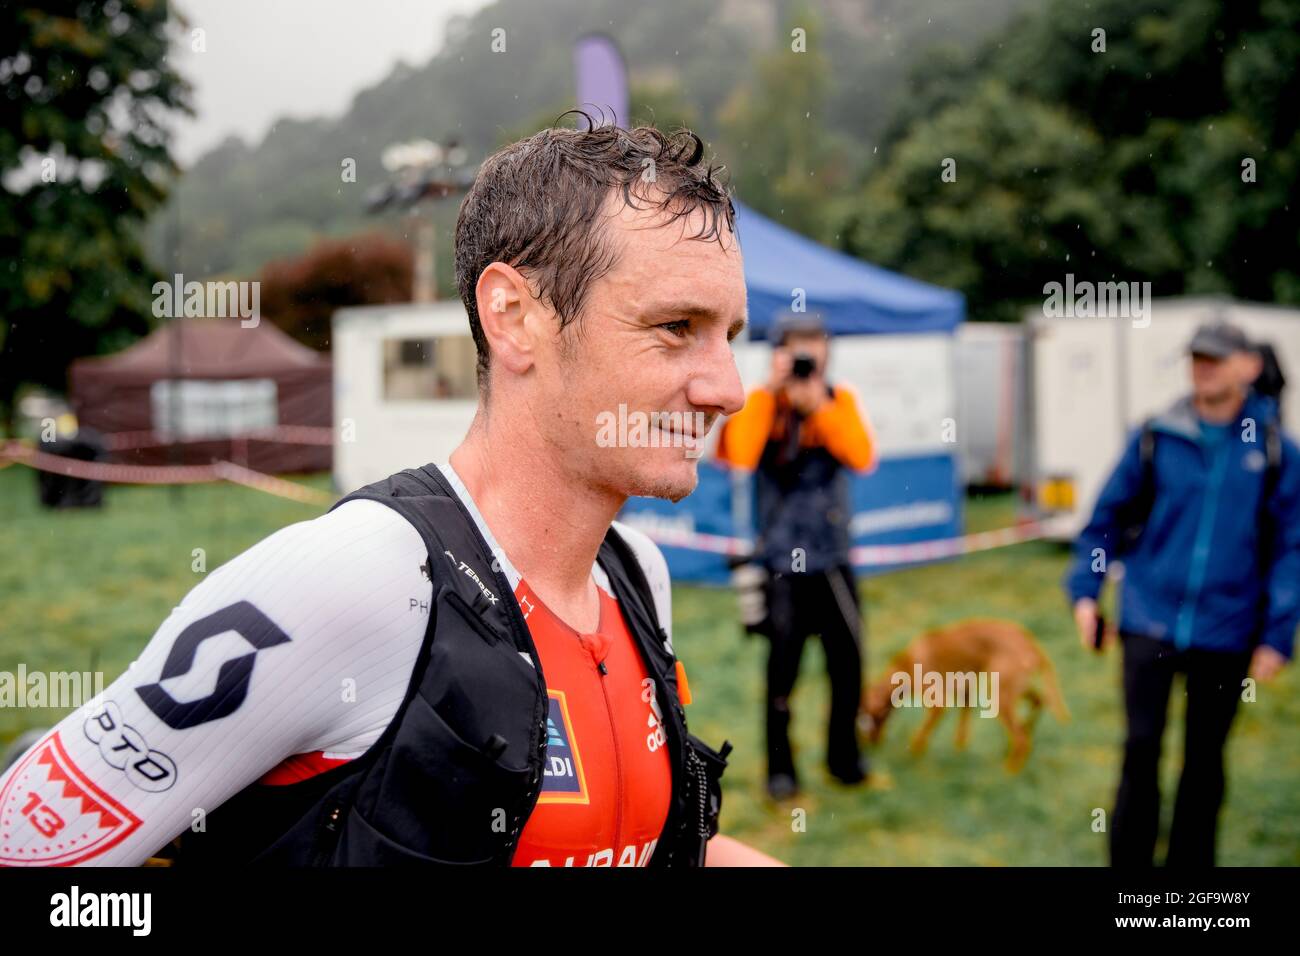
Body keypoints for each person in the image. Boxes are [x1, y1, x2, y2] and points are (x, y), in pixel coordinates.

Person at [0, 121, 784, 867]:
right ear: (513, 318)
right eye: (677, 327)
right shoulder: (359, 579)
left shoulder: (636, 575)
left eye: (731, 336)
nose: (730, 389)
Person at [1065, 320, 1300, 867]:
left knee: (1204, 761)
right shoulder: (1155, 436)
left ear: (1247, 366)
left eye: (1216, 358)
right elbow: (1104, 521)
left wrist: (1277, 634)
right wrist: (1085, 590)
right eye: (1196, 358)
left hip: (1228, 627)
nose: (1203, 368)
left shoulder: (1273, 449)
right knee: (1140, 750)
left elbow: (1292, 547)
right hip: (1148, 619)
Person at [715, 313, 877, 799]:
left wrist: (818, 407)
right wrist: (771, 394)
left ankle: (843, 758)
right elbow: (739, 459)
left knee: (848, 664)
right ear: (778, 353)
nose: (808, 354)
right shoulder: (763, 402)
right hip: (784, 562)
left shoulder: (839, 398)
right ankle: (780, 770)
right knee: (782, 670)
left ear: (827, 350)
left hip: (833, 558)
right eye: (797, 347)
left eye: (814, 344)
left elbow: (862, 456)